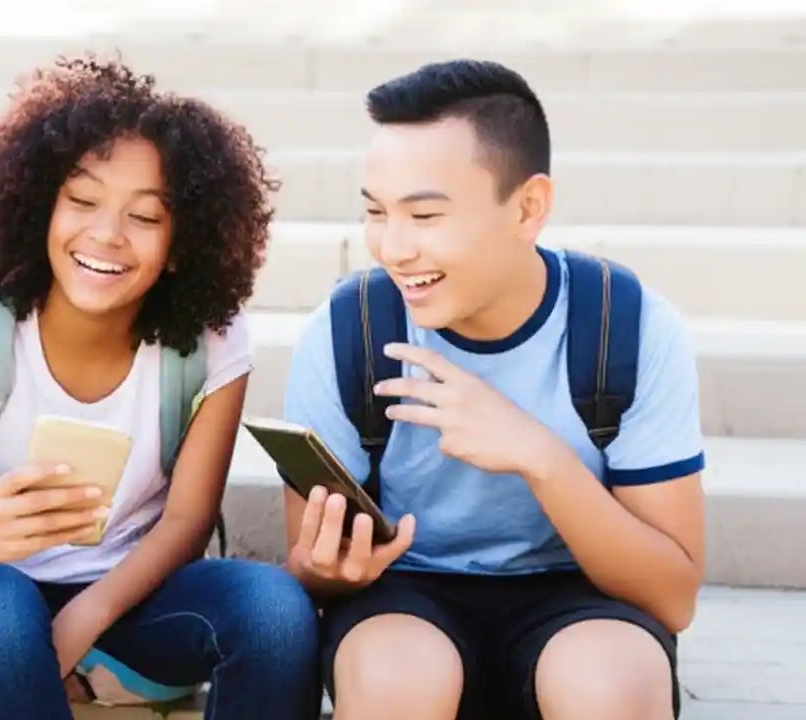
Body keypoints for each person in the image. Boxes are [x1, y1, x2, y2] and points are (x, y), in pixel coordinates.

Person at [281, 59, 705, 720]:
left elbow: (672, 595)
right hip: (406, 597)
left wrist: (538, 456)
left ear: (528, 208)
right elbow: (308, 569)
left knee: (608, 687)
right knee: (397, 682)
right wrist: (328, 567)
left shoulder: (626, 325)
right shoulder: (350, 330)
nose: (393, 249)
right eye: (376, 213)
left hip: (584, 594)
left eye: (424, 215)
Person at [0, 55, 320, 720]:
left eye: (146, 217)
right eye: (83, 201)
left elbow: (186, 522)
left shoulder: (210, 339)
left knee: (275, 612)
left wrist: (84, 618)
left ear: (182, 243)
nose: (107, 234)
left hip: (132, 596)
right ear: (42, 205)